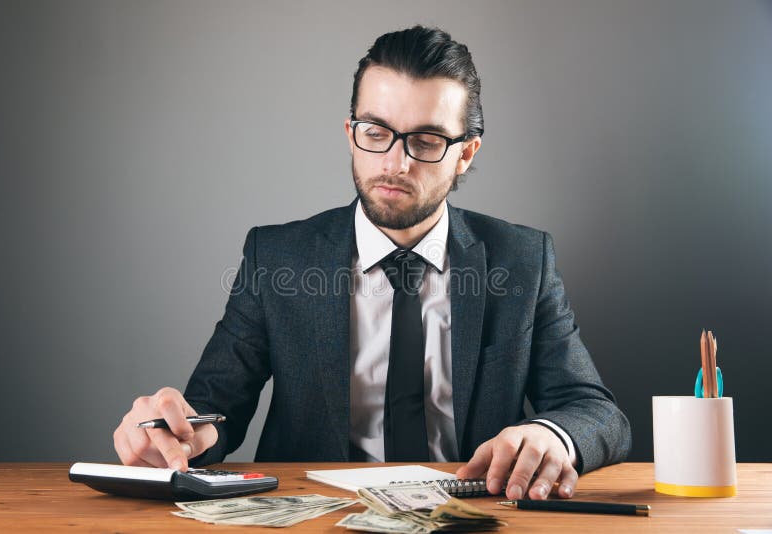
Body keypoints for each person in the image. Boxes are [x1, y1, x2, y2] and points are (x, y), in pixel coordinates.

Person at [113, 25, 631, 501]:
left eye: (426, 141)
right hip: (319, 519)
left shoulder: (522, 260)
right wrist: (173, 433)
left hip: (475, 517)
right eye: (376, 132)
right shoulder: (276, 258)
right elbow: (211, 409)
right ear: (350, 133)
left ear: (466, 154)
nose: (395, 162)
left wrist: (551, 434)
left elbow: (598, 413)